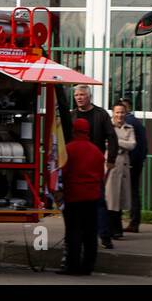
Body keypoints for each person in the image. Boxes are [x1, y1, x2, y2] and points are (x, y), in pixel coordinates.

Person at [59, 117, 105, 276]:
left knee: (73, 232)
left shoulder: (68, 149)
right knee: (90, 232)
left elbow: (63, 172)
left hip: (73, 196)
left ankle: (72, 266)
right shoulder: (96, 151)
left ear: (74, 131)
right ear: (88, 131)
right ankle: (88, 266)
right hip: (92, 196)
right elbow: (101, 174)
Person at [72, 84, 118, 242]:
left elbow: (112, 137)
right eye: (76, 95)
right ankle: (79, 235)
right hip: (76, 164)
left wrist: (111, 159)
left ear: (89, 96)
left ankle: (104, 235)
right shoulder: (72, 115)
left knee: (98, 199)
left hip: (94, 163)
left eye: (82, 94)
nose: (79, 97)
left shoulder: (100, 114)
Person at [103, 103, 137, 248]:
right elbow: (105, 143)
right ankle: (110, 230)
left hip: (123, 166)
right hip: (110, 164)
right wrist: (121, 143)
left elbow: (132, 144)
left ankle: (117, 230)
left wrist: (115, 141)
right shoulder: (108, 127)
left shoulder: (129, 128)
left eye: (122, 112)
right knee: (110, 199)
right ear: (113, 113)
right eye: (117, 112)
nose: (120, 115)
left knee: (119, 199)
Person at [118, 97, 148, 232]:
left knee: (130, 191)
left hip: (130, 162)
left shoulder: (128, 122)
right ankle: (134, 221)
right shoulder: (136, 121)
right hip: (137, 161)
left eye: (121, 110)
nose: (119, 113)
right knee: (134, 190)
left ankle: (133, 222)